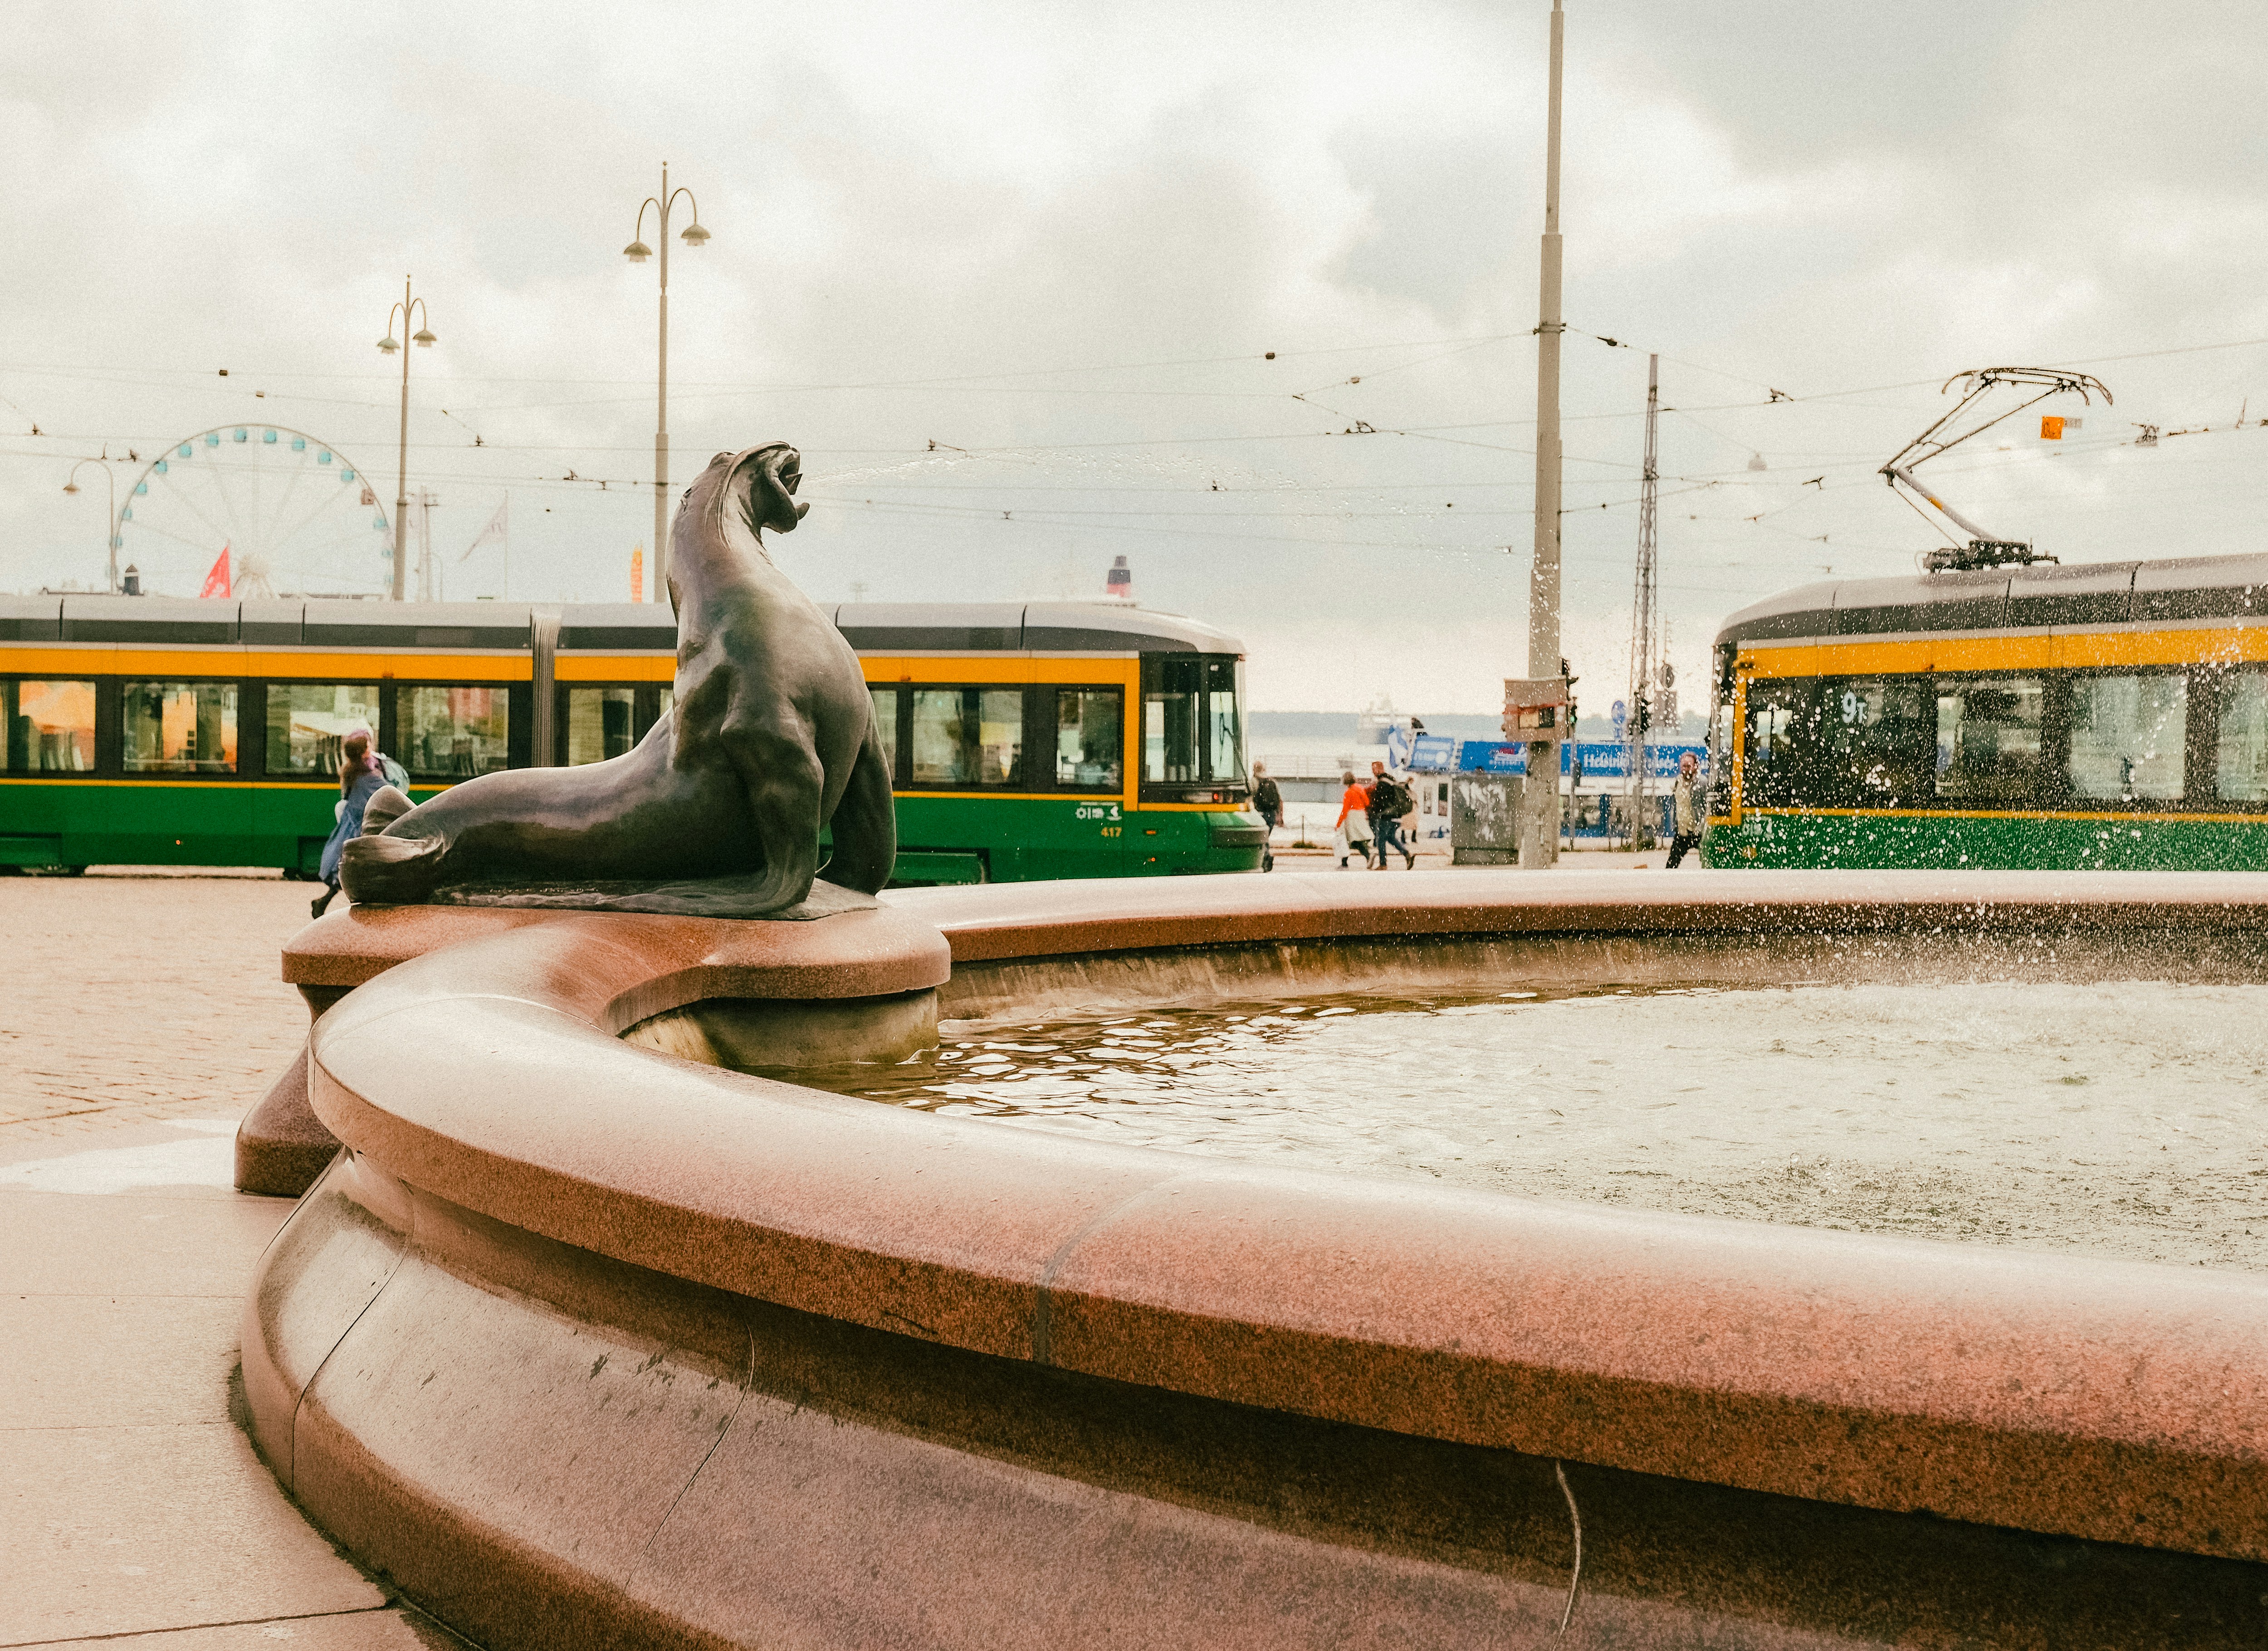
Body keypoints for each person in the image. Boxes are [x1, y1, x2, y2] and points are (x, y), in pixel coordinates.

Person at [310, 729, 391, 919]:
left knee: (350, 867)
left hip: (351, 823)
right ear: (364, 752)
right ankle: (360, 909)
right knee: (359, 867)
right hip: (361, 826)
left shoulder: (352, 771)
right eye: (368, 747)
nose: (371, 748)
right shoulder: (368, 776)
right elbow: (387, 791)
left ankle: (324, 902)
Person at [1367, 759, 1416, 870]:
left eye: (1375, 769)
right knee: (1390, 838)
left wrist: (1375, 812)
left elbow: (1381, 802)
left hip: (1386, 815)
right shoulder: (1391, 780)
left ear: (1380, 769)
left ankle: (1383, 864)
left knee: (1381, 840)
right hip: (1396, 815)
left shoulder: (1382, 783)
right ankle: (1407, 854)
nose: (1373, 772)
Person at [1666, 750, 1704, 868]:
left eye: (1689, 766)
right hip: (1683, 832)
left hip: (1699, 832)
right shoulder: (1678, 782)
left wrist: (1702, 825)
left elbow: (1707, 807)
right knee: (1671, 864)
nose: (1686, 769)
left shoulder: (1701, 783)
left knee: (1709, 861)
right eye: (1684, 766)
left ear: (1696, 767)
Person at [1334, 770, 1374, 868]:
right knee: (1356, 839)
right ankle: (1367, 857)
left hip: (1352, 816)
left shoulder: (1349, 792)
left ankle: (1346, 863)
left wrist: (1339, 824)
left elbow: (1345, 809)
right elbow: (1367, 802)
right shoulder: (1360, 788)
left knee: (1349, 840)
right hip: (1361, 814)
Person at [1251, 762, 1282, 873]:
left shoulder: (1254, 782)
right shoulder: (1272, 781)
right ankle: (1266, 857)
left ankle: (1266, 858)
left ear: (1254, 769)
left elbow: (1250, 798)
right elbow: (1279, 801)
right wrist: (1280, 817)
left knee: (1262, 839)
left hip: (1260, 814)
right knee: (1265, 837)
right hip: (1272, 815)